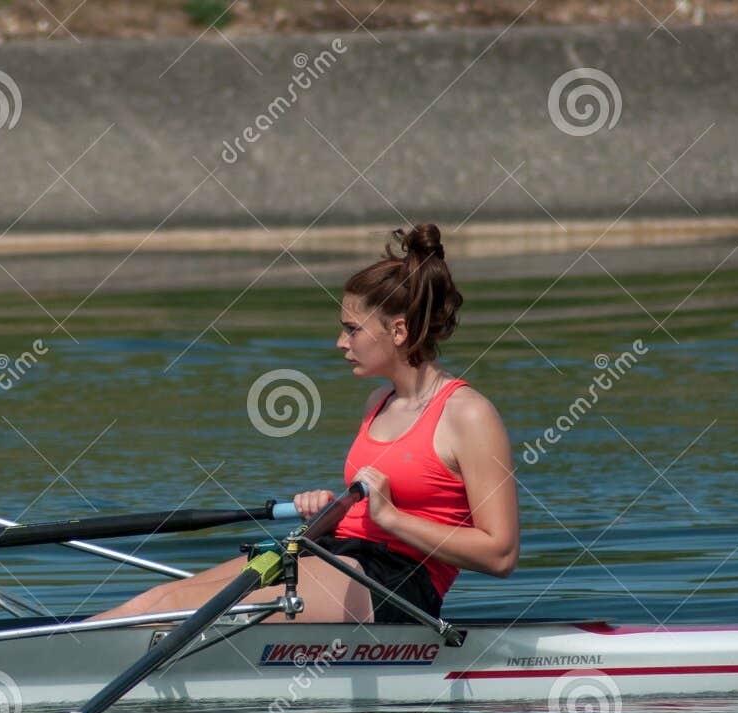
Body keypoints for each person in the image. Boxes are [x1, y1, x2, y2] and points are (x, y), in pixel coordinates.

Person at [91, 223, 518, 625]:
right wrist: (329, 511)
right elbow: (365, 514)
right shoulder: (378, 402)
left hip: (396, 583)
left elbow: (500, 554)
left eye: (352, 330)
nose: (340, 343)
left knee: (181, 613)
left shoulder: (468, 415)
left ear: (399, 331)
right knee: (159, 601)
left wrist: (392, 521)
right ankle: (47, 654)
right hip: (330, 552)